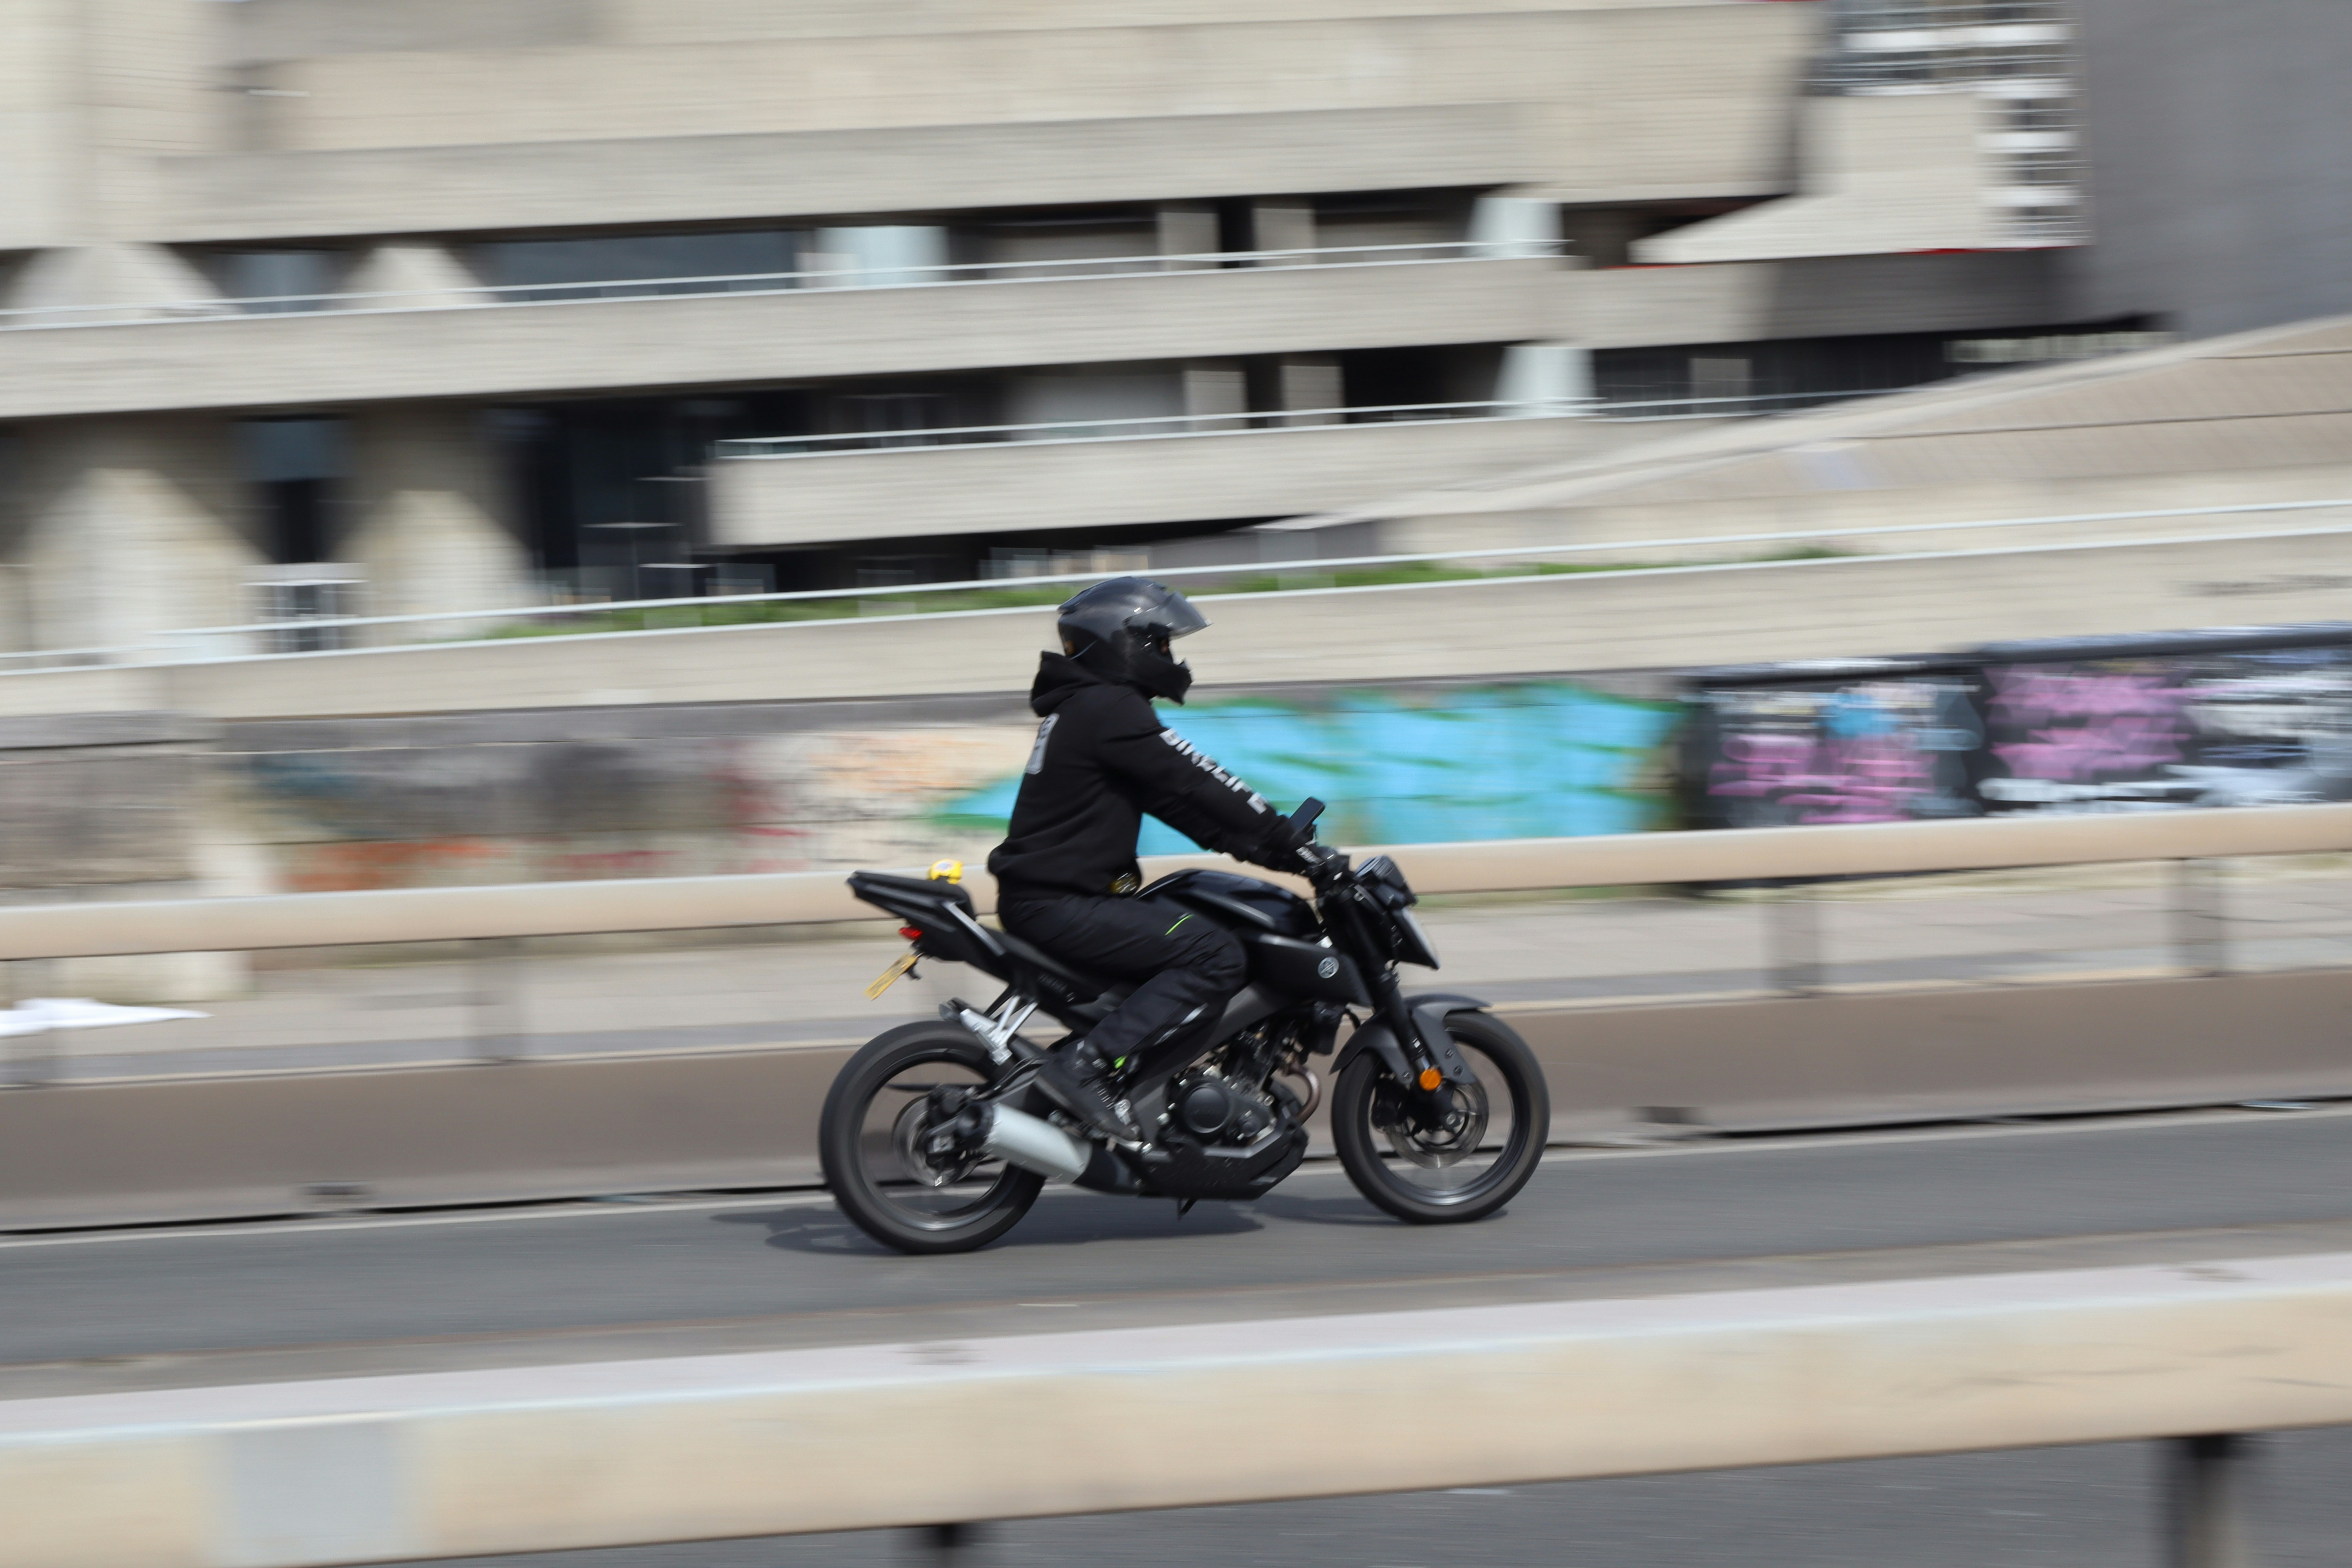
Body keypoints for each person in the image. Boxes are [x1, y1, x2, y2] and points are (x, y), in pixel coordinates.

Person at [987, 577, 1317, 1141]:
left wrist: (1281, 854)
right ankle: (1088, 1068)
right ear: (1124, 641)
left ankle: (1153, 1079)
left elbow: (1182, 806)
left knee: (1199, 929)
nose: (1170, 655)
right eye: (1160, 642)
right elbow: (1198, 779)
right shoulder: (1111, 707)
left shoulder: (1088, 708)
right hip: (1063, 904)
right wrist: (1282, 831)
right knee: (1216, 954)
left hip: (1054, 899)